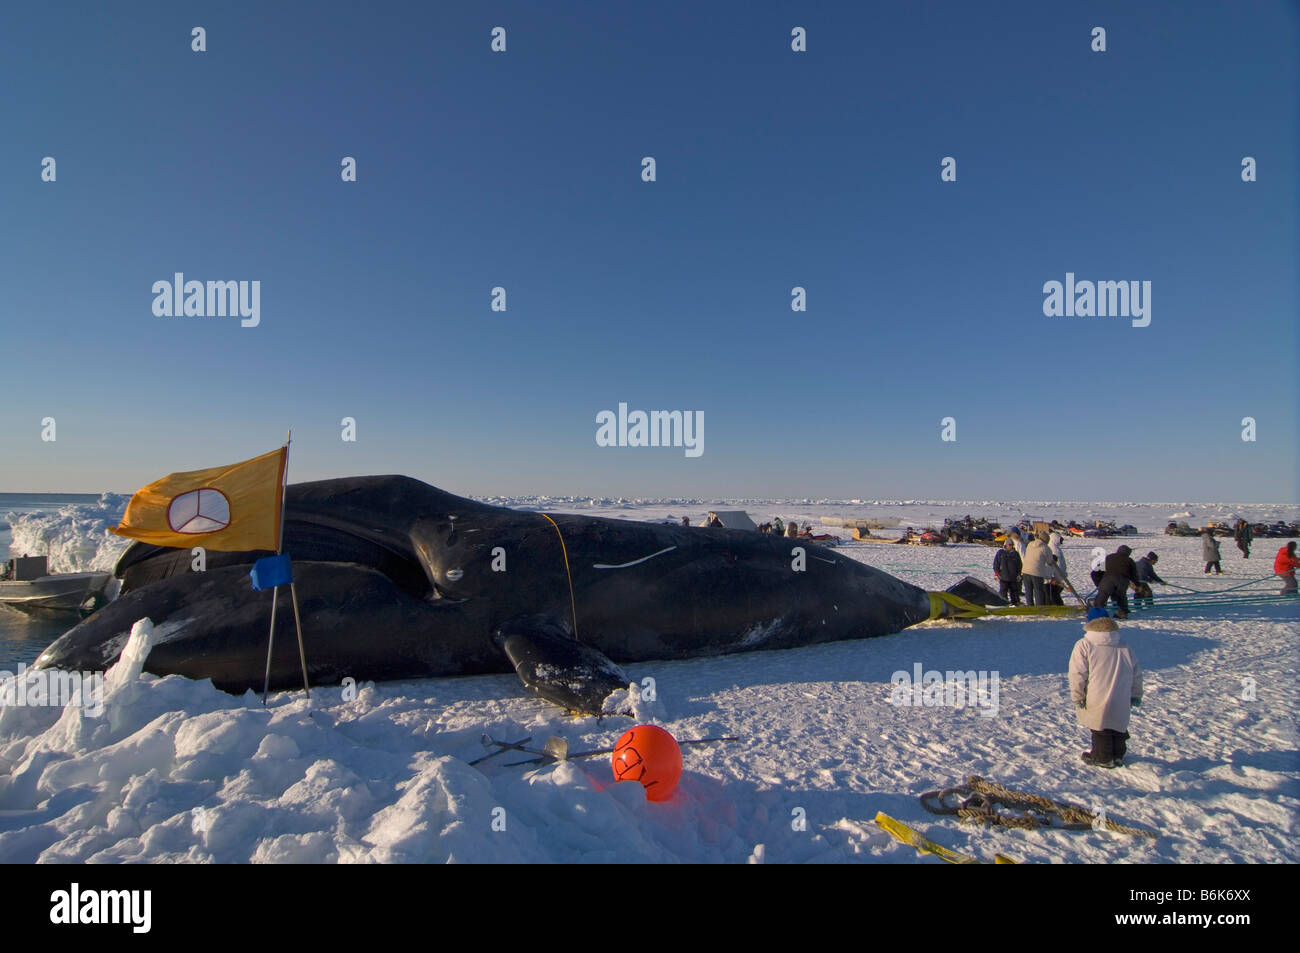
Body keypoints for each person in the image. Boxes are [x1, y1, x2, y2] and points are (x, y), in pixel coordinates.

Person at [1069, 607, 1142, 768]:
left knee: (1100, 727)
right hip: (1121, 693)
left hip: (1096, 693)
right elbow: (1136, 672)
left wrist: (1077, 695)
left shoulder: (1084, 645)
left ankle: (1102, 757)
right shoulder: (1123, 645)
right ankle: (1117, 755)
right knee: (1117, 723)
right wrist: (1135, 694)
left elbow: (1077, 673)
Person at [1094, 545, 1139, 619]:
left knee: (1102, 596)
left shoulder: (1108, 558)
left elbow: (1095, 572)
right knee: (1121, 596)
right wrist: (1137, 584)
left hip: (1107, 579)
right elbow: (1134, 575)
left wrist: (1098, 583)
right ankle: (1122, 614)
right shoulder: (1129, 560)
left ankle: (1097, 614)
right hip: (1122, 580)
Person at [1021, 530, 1055, 607]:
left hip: (1025, 570)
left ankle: (1030, 607)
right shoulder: (1045, 548)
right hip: (1036, 572)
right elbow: (1050, 561)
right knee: (1038, 591)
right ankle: (1039, 607)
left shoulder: (1030, 544)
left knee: (1028, 591)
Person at [993, 539, 1023, 605]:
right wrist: (996, 573)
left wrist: (1019, 574)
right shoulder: (1000, 553)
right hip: (1003, 576)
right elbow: (996, 564)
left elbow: (1019, 564)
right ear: (1005, 545)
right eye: (1010, 545)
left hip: (1013, 577)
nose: (1011, 546)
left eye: (1012, 545)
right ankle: (1003, 603)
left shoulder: (1015, 553)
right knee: (1003, 591)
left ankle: (1016, 602)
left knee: (1014, 591)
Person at [1044, 531, 1069, 605]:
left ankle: (1054, 605)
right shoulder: (1053, 549)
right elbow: (1056, 565)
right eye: (1060, 539)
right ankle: (1056, 606)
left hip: (1058, 576)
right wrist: (1053, 577)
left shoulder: (1055, 548)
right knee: (1053, 594)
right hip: (1055, 576)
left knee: (1054, 594)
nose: (1061, 541)